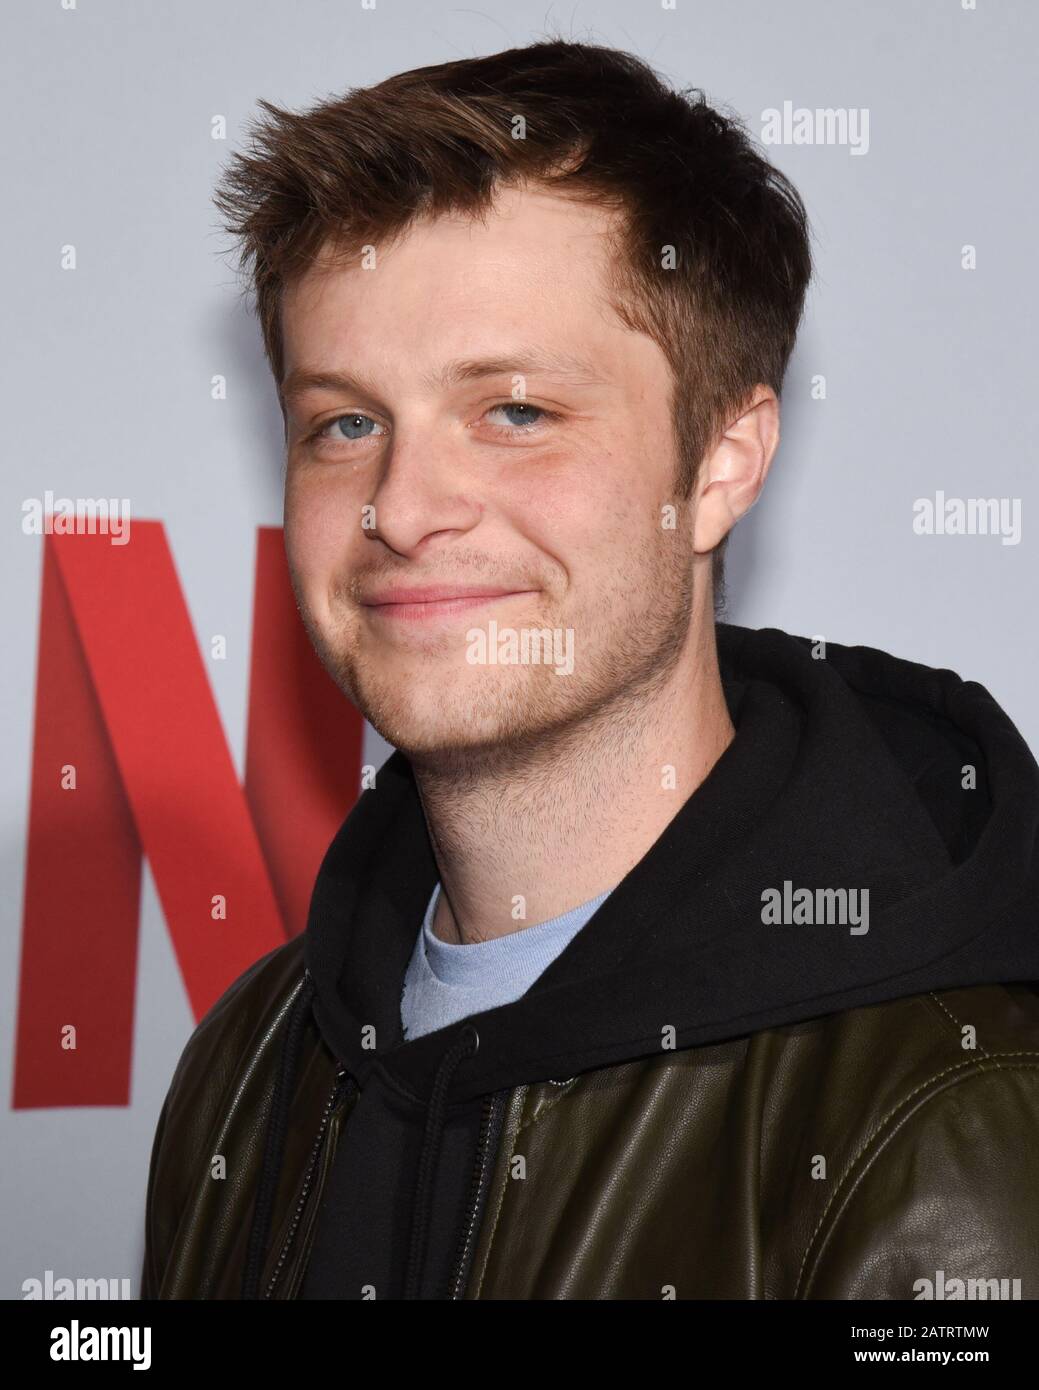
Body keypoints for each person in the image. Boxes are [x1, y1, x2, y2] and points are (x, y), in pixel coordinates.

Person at [141, 39, 1039, 1300]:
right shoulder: (252, 1055)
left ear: (721, 466)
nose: (401, 506)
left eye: (513, 412)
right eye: (345, 422)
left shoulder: (940, 1113)